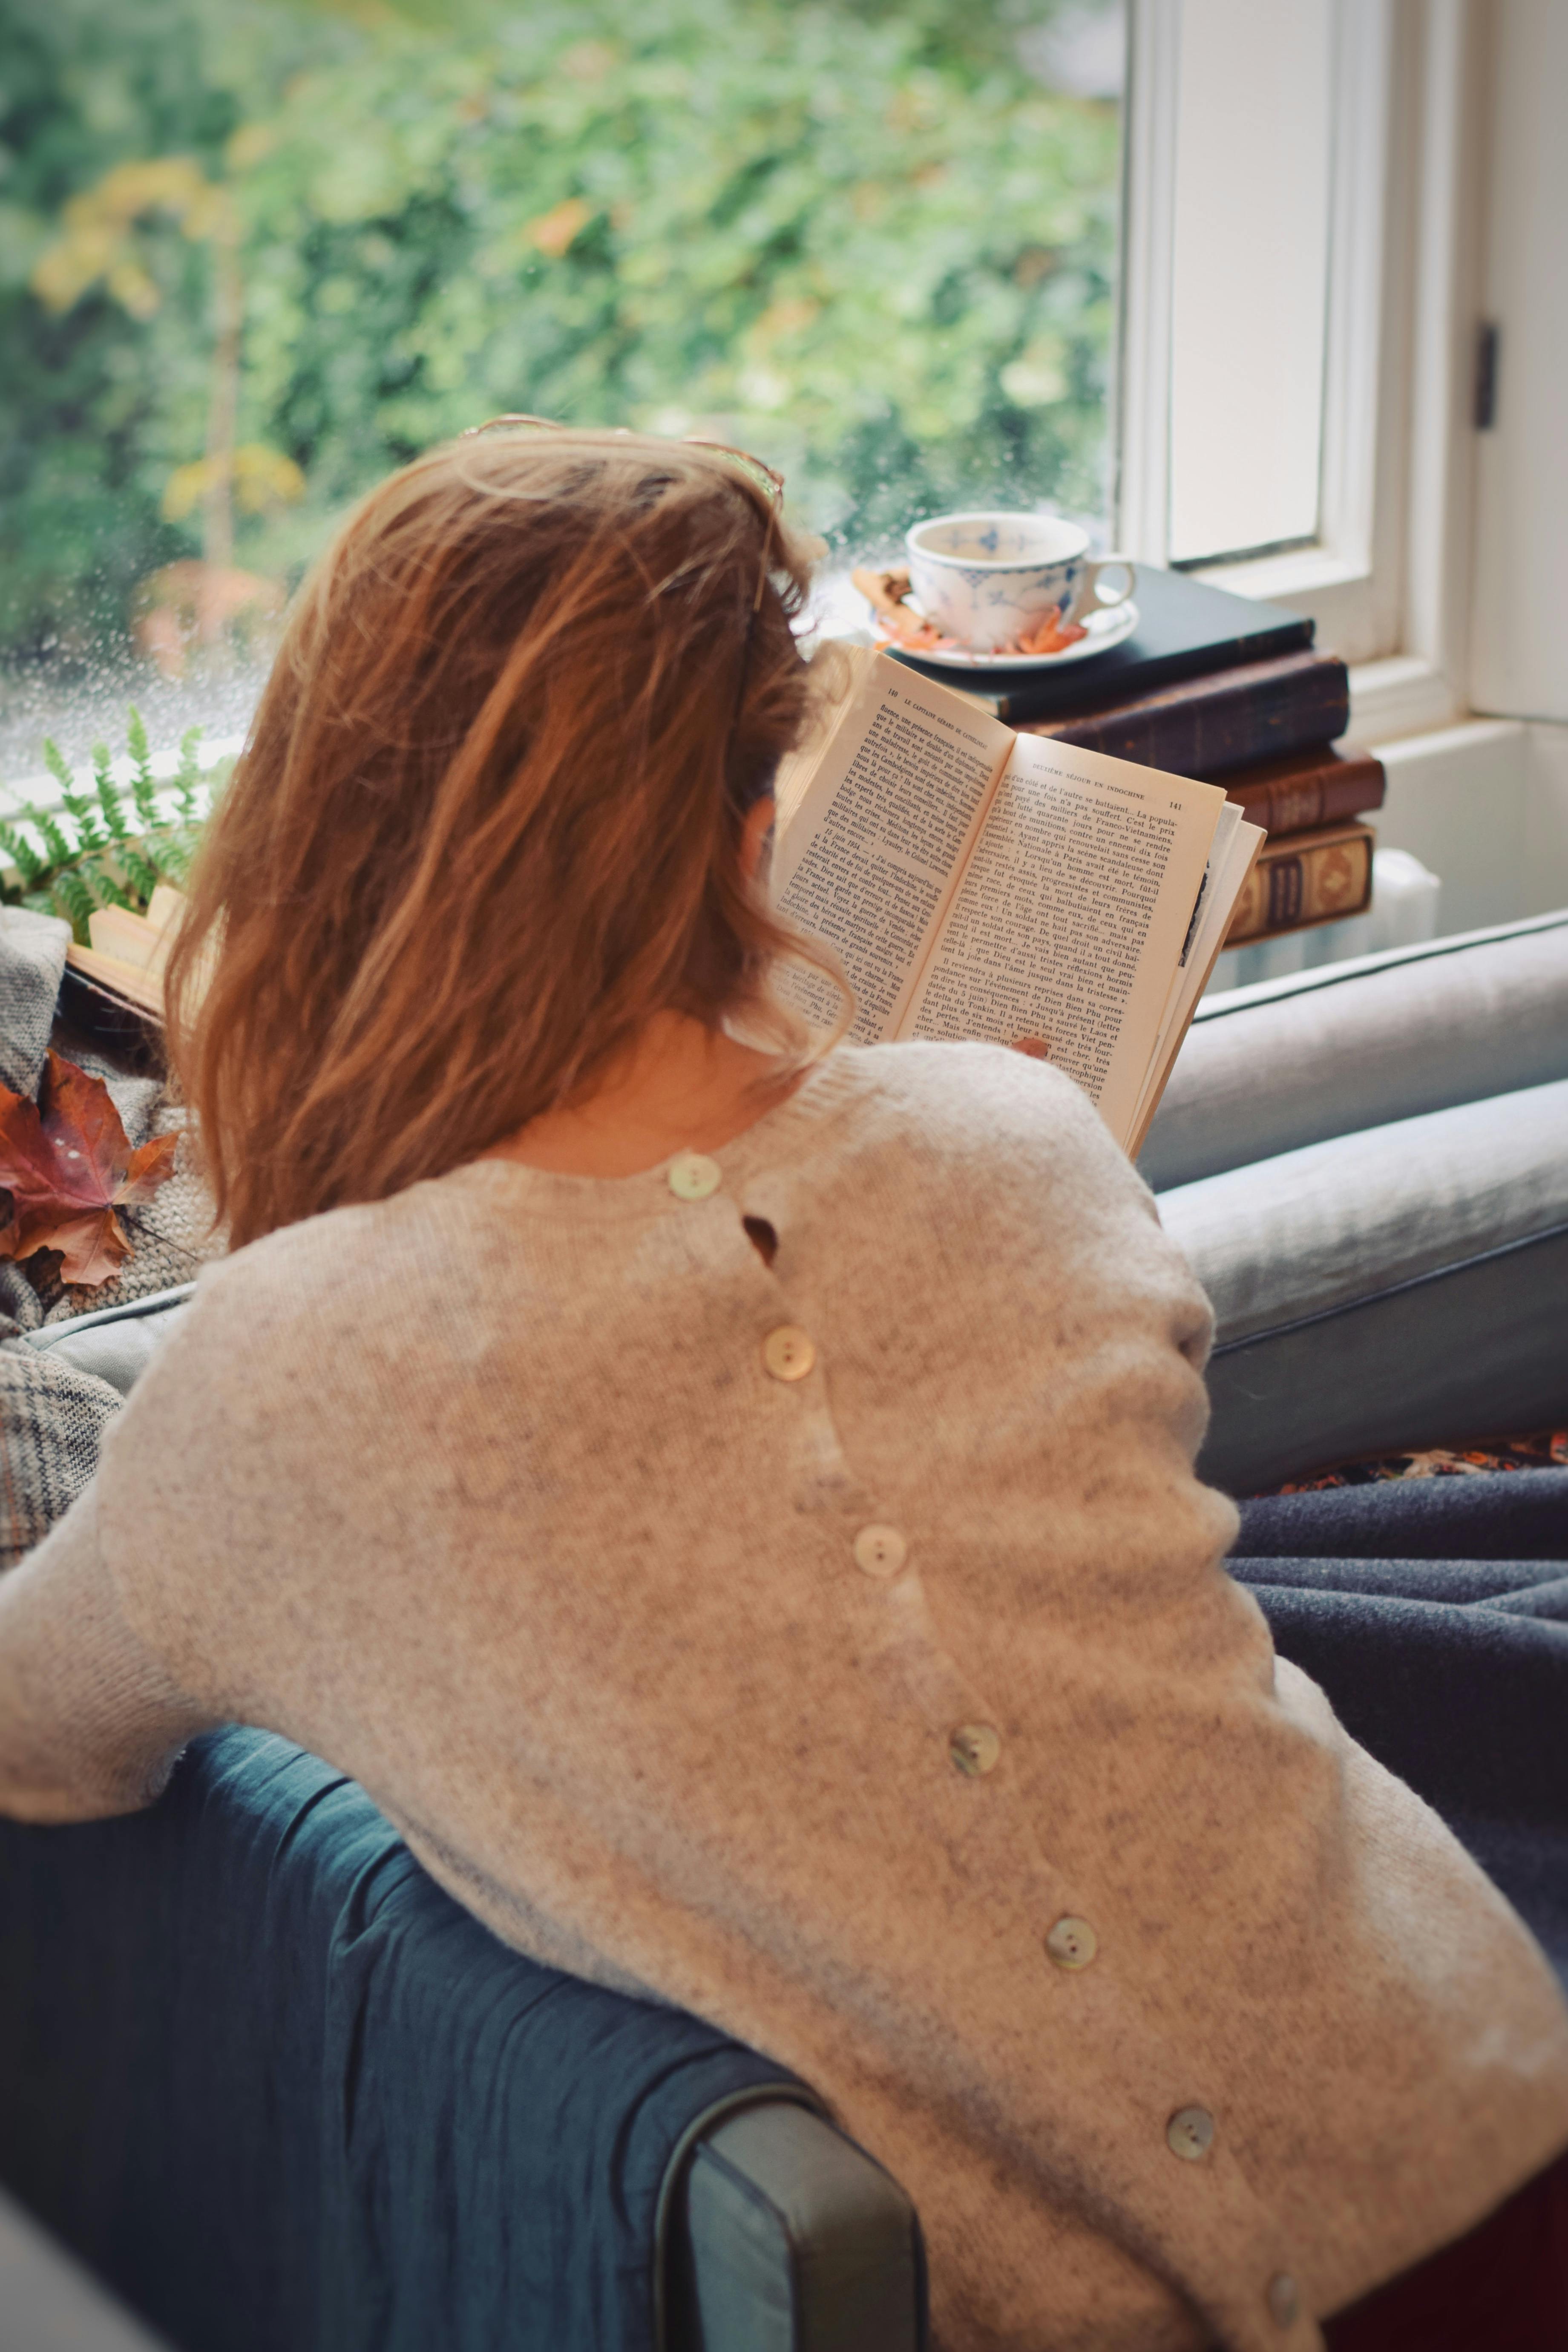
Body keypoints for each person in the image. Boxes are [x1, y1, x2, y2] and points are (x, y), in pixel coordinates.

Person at [0, 426, 1565, 2352]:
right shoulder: (1011, 1123)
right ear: (759, 824)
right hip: (1493, 2106)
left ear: (321, 832)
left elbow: (36, 1739)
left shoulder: (276, 1379)